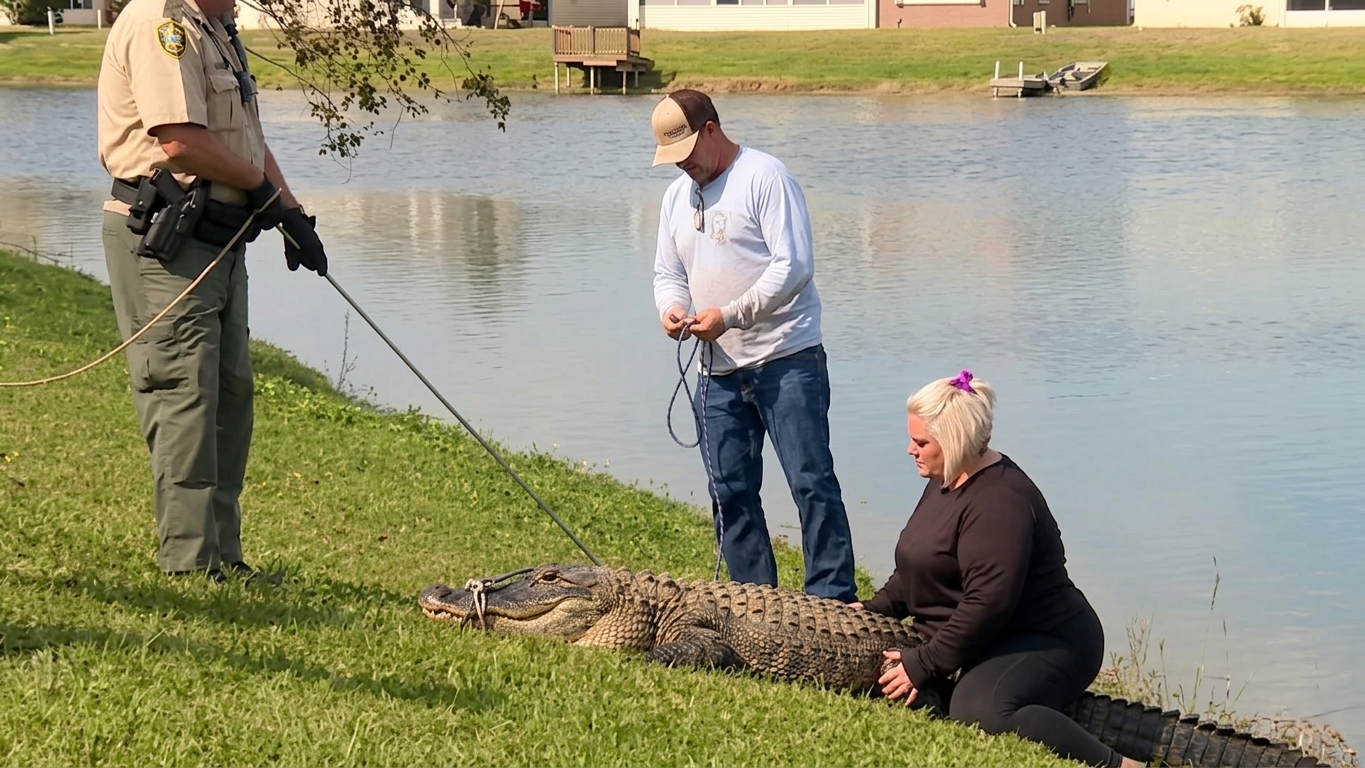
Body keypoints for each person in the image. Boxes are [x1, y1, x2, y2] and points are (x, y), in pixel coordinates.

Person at [97, 0, 328, 582]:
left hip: (222, 239)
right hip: (167, 240)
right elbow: (180, 141)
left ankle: (225, 557)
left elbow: (245, 140)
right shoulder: (163, 23)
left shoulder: (216, 26)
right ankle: (191, 565)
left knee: (229, 396)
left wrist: (290, 211)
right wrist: (261, 192)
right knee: (184, 395)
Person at [852, 371, 1140, 768]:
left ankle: (1121, 765)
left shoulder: (1000, 501)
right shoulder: (947, 477)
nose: (909, 450)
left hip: (1048, 638)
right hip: (994, 633)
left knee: (977, 711)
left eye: (921, 442)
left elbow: (987, 603)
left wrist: (926, 662)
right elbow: (920, 562)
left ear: (953, 442)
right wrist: (875, 607)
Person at [649, 89, 857, 603]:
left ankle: (832, 600)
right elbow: (668, 271)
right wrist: (670, 309)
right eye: (672, 160)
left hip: (787, 358)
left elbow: (794, 266)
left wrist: (731, 315)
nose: (684, 167)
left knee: (811, 483)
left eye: (687, 154)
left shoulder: (766, 177)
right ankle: (753, 603)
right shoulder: (677, 196)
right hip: (716, 369)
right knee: (731, 493)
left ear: (711, 132)